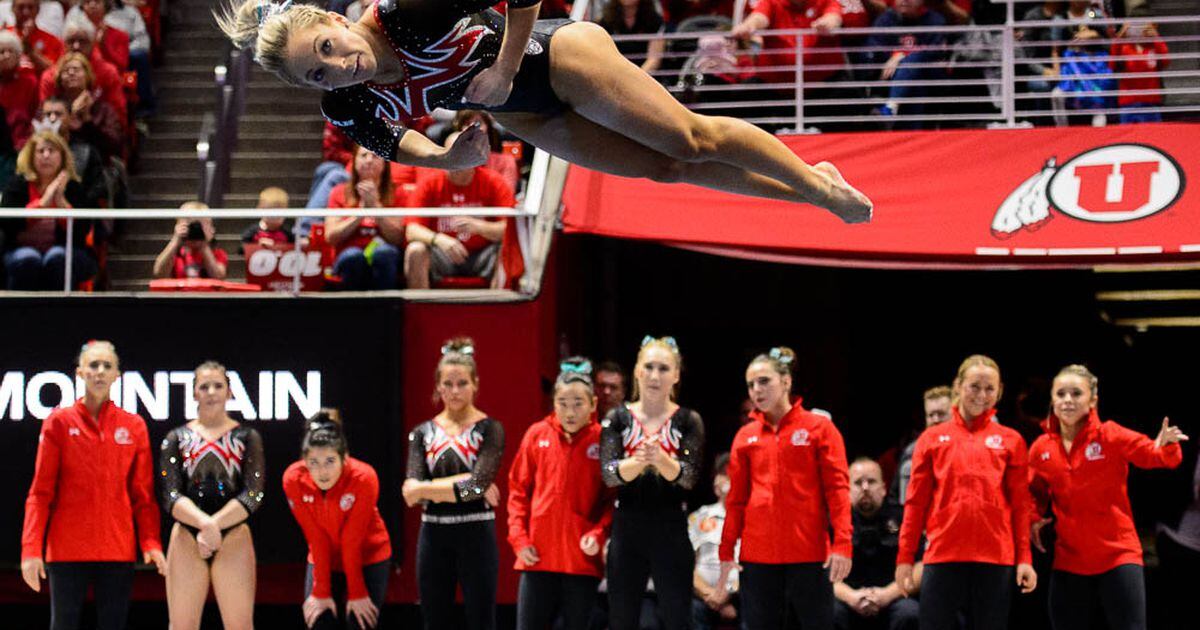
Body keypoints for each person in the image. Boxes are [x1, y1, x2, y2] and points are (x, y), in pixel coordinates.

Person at [214, 0, 873, 223]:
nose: (339, 64)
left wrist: (502, 68)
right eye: (318, 71)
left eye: (330, 47)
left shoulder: (403, 13)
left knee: (690, 140)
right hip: (529, 117)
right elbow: (394, 145)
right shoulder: (348, 103)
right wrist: (447, 157)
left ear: (335, 19)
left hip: (554, 57)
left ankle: (820, 185)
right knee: (663, 171)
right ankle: (815, 194)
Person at [1028, 364, 1187, 630]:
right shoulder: (1041, 448)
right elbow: (1033, 493)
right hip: (1069, 560)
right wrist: (1033, 518)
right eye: (1061, 394)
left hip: (1118, 555)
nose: (1068, 400)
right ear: (1052, 400)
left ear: (1092, 400)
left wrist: (1166, 446)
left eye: (1076, 394)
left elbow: (1152, 454)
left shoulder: (1110, 435)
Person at [20, 340, 166, 630]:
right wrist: (31, 550)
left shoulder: (134, 426)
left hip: (117, 549)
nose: (100, 372)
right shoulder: (58, 422)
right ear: (80, 373)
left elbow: (143, 495)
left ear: (117, 376)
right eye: (93, 365)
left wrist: (150, 542)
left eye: (107, 366)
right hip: (66, 549)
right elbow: (40, 492)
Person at [895, 355, 1037, 630]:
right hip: (942, 557)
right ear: (957, 386)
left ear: (1000, 392)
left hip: (996, 559)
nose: (981, 395)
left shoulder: (1012, 441)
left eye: (989, 388)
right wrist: (904, 559)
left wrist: (1025, 560)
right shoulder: (931, 439)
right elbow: (915, 504)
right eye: (974, 386)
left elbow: (1020, 506)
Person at [716, 346, 851, 630]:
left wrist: (842, 544)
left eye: (764, 381)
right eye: (751, 384)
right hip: (757, 559)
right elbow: (736, 500)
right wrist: (726, 550)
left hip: (810, 556)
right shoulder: (744, 437)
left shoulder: (820, 428)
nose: (756, 390)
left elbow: (837, 491)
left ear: (786, 381)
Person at [600, 335, 705, 630]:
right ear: (636, 371)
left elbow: (688, 477)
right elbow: (609, 473)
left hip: (670, 527)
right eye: (649, 367)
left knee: (677, 618)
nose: (655, 375)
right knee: (621, 619)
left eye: (663, 368)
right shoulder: (618, 418)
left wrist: (660, 460)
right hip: (627, 528)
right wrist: (641, 461)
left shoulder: (688, 420)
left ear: (676, 375)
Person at [403, 337, 505, 630]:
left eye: (462, 383)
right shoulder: (422, 433)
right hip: (434, 536)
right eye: (447, 384)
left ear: (476, 384)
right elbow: (411, 494)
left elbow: (476, 486)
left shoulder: (490, 429)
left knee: (482, 620)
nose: (454, 391)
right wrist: (465, 482)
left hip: (476, 535)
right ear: (437, 386)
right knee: (435, 621)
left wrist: (430, 488)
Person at [507, 357, 613, 630]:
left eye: (578, 403)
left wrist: (598, 533)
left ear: (592, 404)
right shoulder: (536, 434)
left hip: (580, 563)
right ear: (553, 404)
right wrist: (519, 539)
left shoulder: (603, 441)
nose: (570, 412)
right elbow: (517, 491)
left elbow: (612, 502)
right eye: (562, 403)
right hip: (537, 559)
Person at [159, 361, 265, 630]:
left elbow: (253, 493)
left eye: (218, 386)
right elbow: (170, 494)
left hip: (233, 533)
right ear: (194, 393)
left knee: (240, 625)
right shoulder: (176, 437)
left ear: (230, 392)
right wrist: (204, 524)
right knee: (181, 625)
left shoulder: (247, 436)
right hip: (186, 533)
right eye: (204, 386)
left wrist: (215, 524)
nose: (211, 392)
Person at [283, 409, 392, 630]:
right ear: (304, 460)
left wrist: (358, 592)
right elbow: (316, 536)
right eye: (313, 462)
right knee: (319, 620)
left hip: (368, 555)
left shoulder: (364, 477)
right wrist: (321, 591)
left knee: (360, 622)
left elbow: (352, 539)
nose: (322, 472)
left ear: (345, 458)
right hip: (324, 558)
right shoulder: (293, 479)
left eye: (330, 461)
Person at [403, 131, 515, 290]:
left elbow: (511, 230)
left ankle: (499, 310)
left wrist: (479, 227)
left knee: (506, 250)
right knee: (415, 250)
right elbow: (412, 230)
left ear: (474, 157)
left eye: (460, 155)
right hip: (442, 255)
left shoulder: (494, 182)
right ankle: (421, 311)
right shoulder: (429, 183)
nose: (455, 161)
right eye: (450, 154)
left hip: (482, 254)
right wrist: (439, 239)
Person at [1, 129, 98, 290]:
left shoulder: (74, 188)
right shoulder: (17, 186)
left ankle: (60, 312)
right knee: (27, 258)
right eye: (40, 151)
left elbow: (83, 230)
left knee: (57, 257)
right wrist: (42, 204)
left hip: (67, 251)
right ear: (31, 156)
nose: (46, 155)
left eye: (51, 150)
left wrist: (62, 203)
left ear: (62, 156)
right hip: (19, 250)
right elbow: (7, 225)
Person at [835, 458, 919, 630]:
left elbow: (921, 566)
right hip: (848, 599)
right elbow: (820, 572)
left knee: (910, 613)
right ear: (847, 489)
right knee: (828, 613)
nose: (865, 488)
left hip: (893, 597)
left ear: (883, 488)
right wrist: (851, 597)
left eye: (871, 482)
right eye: (858, 483)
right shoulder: (835, 522)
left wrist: (887, 595)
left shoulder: (904, 519)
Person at [326, 143, 406, 290]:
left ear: (385, 163)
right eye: (363, 155)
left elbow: (398, 238)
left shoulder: (399, 193)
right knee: (353, 256)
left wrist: (375, 207)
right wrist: (360, 214)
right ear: (354, 161)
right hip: (349, 253)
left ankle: (386, 309)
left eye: (375, 156)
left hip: (385, 252)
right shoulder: (338, 192)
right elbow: (331, 237)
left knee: (384, 253)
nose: (369, 160)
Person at [688, 452, 741, 630]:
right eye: (723, 475)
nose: (726, 480)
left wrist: (728, 593)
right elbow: (687, 563)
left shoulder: (755, 519)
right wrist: (709, 594)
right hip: (703, 596)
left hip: (742, 595)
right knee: (690, 609)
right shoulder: (699, 517)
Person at [888, 385, 951, 506]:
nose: (935, 419)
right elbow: (896, 498)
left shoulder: (967, 446)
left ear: (955, 413)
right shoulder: (912, 450)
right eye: (931, 415)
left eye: (941, 414)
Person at [152, 201, 229, 280]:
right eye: (190, 226)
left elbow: (219, 277)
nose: (195, 230)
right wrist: (175, 240)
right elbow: (159, 273)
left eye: (199, 226)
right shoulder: (175, 255)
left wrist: (204, 246)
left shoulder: (218, 254)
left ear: (211, 229)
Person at [0, 29, 38, 150]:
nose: (6, 55)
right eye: (1, 52)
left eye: (11, 51)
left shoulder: (30, 83)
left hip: (22, 145)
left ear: (18, 56)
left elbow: (36, 115)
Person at [240, 186, 294, 252]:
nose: (274, 217)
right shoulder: (253, 232)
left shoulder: (288, 232)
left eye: (278, 212)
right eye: (270, 212)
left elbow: (295, 248)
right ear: (260, 209)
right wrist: (257, 245)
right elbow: (241, 249)